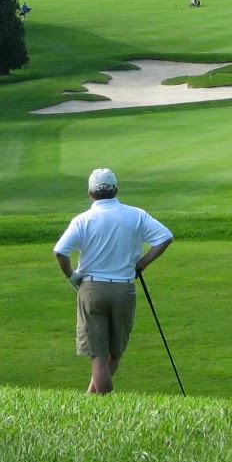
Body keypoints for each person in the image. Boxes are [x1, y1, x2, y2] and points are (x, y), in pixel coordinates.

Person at [53, 168, 173, 395]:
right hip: (123, 289)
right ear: (116, 190)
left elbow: (60, 252)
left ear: (90, 193)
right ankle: (95, 401)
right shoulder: (135, 215)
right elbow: (165, 237)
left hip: (91, 289)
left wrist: (72, 276)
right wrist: (142, 263)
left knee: (98, 354)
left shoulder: (82, 220)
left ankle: (95, 401)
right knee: (114, 353)